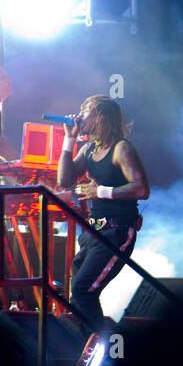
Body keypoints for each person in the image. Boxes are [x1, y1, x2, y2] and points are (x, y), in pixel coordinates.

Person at [58, 95, 150, 333]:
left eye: (84, 110)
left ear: (100, 116)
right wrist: (69, 141)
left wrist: (100, 191)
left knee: (83, 290)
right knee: (78, 296)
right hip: (92, 231)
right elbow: (64, 180)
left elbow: (141, 189)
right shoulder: (89, 148)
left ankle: (106, 351)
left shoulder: (121, 148)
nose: (79, 115)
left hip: (116, 231)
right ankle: (90, 352)